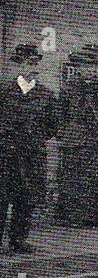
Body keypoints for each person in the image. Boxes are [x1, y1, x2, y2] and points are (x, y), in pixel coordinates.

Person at [55, 47, 98, 228]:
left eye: (93, 66)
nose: (91, 70)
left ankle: (97, 217)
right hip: (76, 140)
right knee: (75, 179)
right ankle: (74, 217)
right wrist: (65, 135)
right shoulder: (70, 87)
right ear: (79, 68)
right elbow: (61, 115)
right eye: (86, 66)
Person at [0, 44, 57, 252]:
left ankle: (18, 240)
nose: (34, 68)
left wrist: (34, 138)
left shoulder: (46, 95)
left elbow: (53, 125)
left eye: (36, 64)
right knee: (2, 197)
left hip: (32, 154)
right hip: (5, 154)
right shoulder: (4, 91)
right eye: (30, 63)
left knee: (27, 197)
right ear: (19, 65)